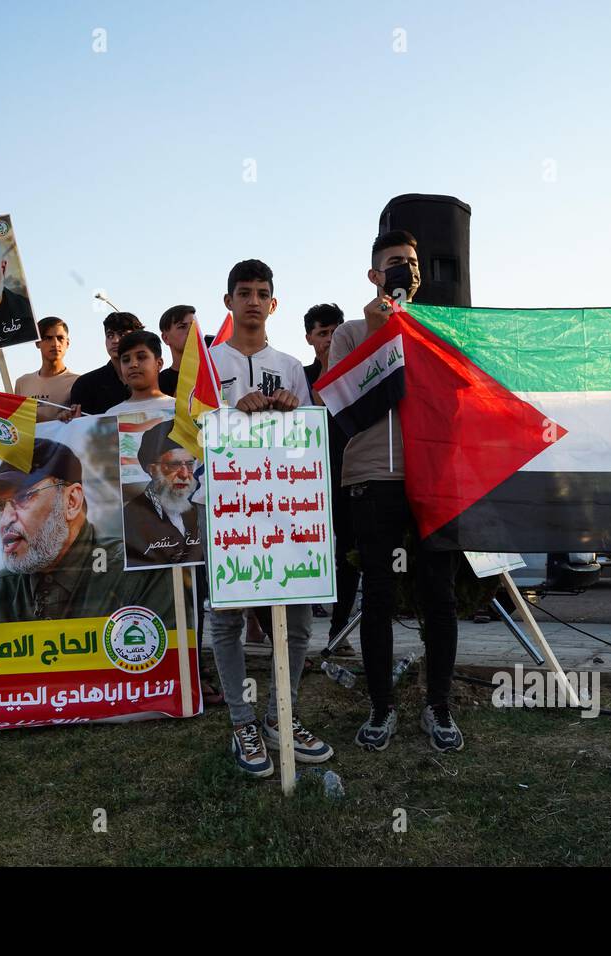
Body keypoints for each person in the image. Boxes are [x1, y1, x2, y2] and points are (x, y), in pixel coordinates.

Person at [329, 230, 466, 753]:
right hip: (372, 477)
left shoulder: (440, 331)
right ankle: (381, 707)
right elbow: (344, 398)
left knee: (440, 595)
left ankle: (439, 707)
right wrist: (379, 332)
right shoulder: (349, 332)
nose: (403, 271)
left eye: (410, 263)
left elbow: (458, 398)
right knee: (379, 595)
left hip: (433, 476)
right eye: (392, 264)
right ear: (373, 275)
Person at [206, 258, 333, 777]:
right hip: (228, 511)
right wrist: (235, 413)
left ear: (273, 303)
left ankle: (282, 715)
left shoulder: (293, 366)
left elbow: (308, 443)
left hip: (286, 507)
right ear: (229, 302)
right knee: (226, 618)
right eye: (244, 292)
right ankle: (242, 721)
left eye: (262, 292)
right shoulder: (209, 364)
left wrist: (288, 411)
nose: (253, 300)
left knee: (298, 620)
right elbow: (193, 432)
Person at [0, 439, 172, 641]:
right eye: (0, 506)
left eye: (22, 497)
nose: (5, 519)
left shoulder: (136, 571)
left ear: (71, 502)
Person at [302, 302, 358, 651]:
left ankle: (340, 632)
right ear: (309, 337)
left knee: (348, 555)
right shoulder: (301, 376)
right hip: (307, 481)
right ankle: (295, 633)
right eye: (322, 333)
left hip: (350, 475)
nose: (329, 339)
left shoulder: (357, 375)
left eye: (335, 332)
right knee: (307, 554)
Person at [122, 420, 202, 568]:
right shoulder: (129, 518)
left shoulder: (200, 508)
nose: (185, 474)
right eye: (175, 464)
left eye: (189, 465)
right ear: (153, 470)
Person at [67, 312, 144, 415]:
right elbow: (79, 426)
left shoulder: (154, 381)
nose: (115, 340)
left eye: (122, 334)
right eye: (110, 335)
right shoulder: (86, 384)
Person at [15, 317, 81, 420]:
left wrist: (68, 416)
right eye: (48, 338)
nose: (55, 344)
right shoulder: (22, 383)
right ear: (37, 342)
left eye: (60, 338)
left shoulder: (79, 382)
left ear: (67, 343)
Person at [106, 330, 174, 416]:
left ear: (159, 364)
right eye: (126, 360)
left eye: (141, 357)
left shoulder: (177, 409)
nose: (132, 364)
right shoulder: (111, 416)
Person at [157, 305, 195, 397]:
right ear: (165, 338)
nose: (191, 331)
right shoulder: (160, 381)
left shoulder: (213, 371)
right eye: (182, 327)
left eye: (194, 326)